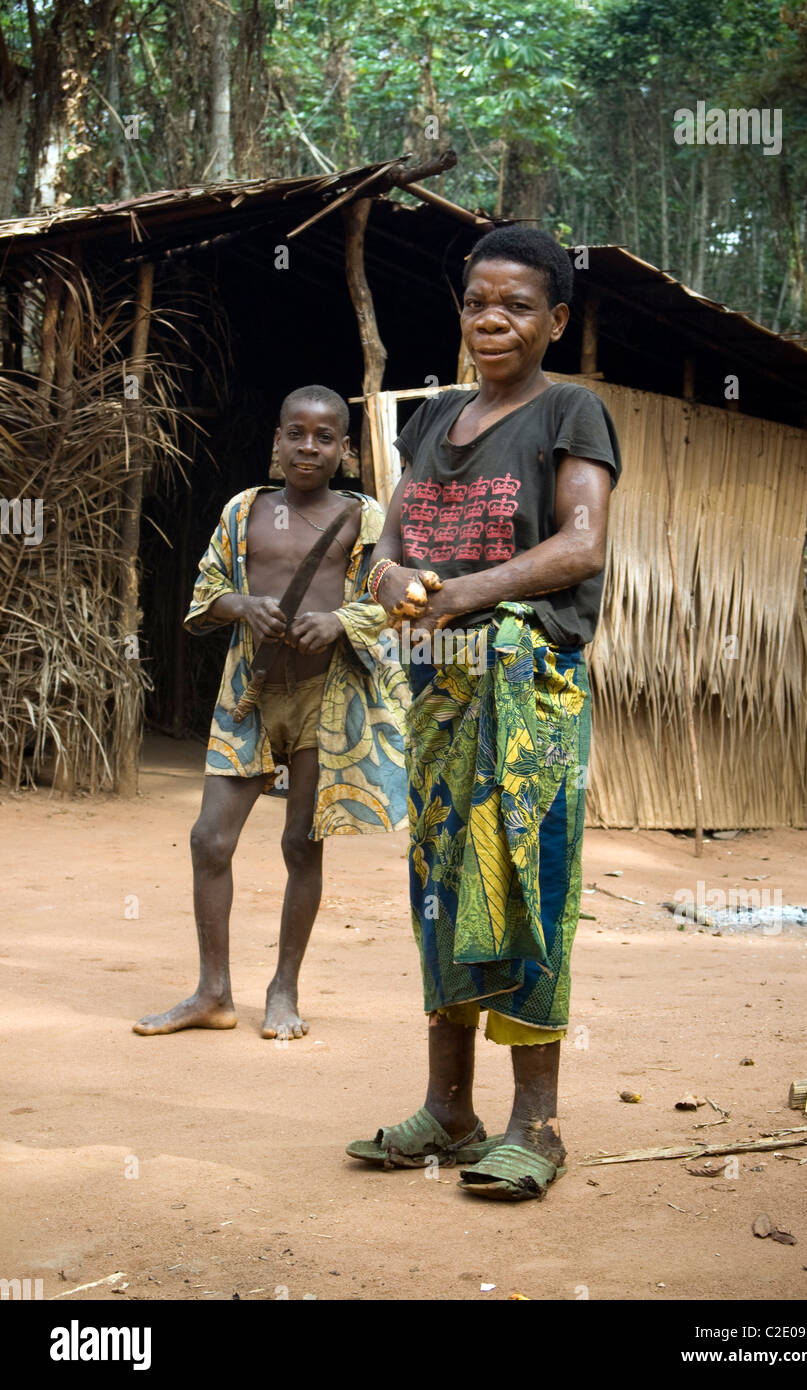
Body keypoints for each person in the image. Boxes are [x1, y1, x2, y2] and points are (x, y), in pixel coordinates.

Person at [347, 228, 621, 1198]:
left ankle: (534, 1126)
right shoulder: (431, 422)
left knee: (526, 891)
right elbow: (391, 538)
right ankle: (449, 1110)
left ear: (553, 319)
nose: (490, 321)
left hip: (527, 694)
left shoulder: (571, 413)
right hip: (437, 696)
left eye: (513, 305)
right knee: (438, 889)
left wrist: (469, 592)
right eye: (475, 303)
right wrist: (387, 576)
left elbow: (580, 546)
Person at [134, 386, 408, 1042]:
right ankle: (213, 991)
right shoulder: (244, 511)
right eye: (296, 434)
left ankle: (283, 990)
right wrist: (242, 607)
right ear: (277, 443)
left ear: (345, 451)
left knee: (300, 844)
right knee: (209, 839)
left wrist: (341, 621)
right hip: (250, 696)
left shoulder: (366, 518)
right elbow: (207, 593)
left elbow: (395, 596)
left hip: (327, 700)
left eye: (323, 437)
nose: (308, 447)